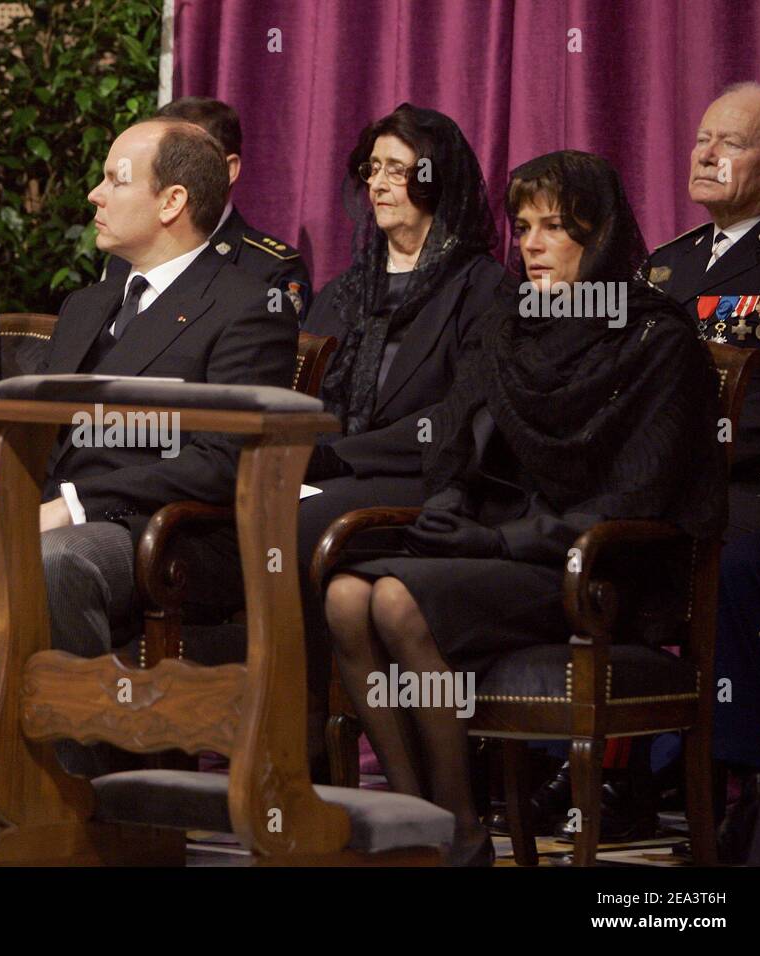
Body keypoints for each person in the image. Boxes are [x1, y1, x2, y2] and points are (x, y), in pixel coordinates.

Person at [0, 118, 299, 746]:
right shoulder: (87, 306)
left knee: (51, 561)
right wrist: (8, 502)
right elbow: (31, 434)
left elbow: (226, 459)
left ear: (172, 201)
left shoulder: (245, 305)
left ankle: (83, 793)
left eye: (113, 180)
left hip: (155, 533)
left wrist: (70, 507)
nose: (94, 196)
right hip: (35, 523)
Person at [320, 151, 725, 865]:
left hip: (590, 570)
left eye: (556, 227)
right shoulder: (513, 326)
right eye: (524, 226)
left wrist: (498, 542)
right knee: (347, 595)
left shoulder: (657, 340)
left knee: (395, 601)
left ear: (599, 237)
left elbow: (637, 497)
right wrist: (448, 503)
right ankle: (417, 829)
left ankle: (463, 830)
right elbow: (455, 436)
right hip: (497, 551)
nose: (532, 244)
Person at [293, 105, 501, 770]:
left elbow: (458, 420)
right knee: (251, 512)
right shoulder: (346, 290)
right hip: (334, 470)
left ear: (436, 182)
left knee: (292, 526)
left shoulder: (483, 287)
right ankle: (293, 747)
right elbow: (305, 401)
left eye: (396, 170)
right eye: (371, 169)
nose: (377, 184)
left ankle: (308, 749)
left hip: (428, 480)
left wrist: (335, 457)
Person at [639, 81, 760, 855]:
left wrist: (690, 455)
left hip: (755, 481)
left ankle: (729, 780)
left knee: (724, 555)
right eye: (700, 139)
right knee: (570, 542)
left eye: (730, 143)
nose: (706, 154)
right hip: (673, 478)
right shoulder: (664, 268)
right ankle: (608, 764)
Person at [104, 97, 313, 318]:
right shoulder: (125, 256)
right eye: (160, 157)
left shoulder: (270, 268)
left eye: (182, 158)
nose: (163, 171)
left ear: (228, 169)